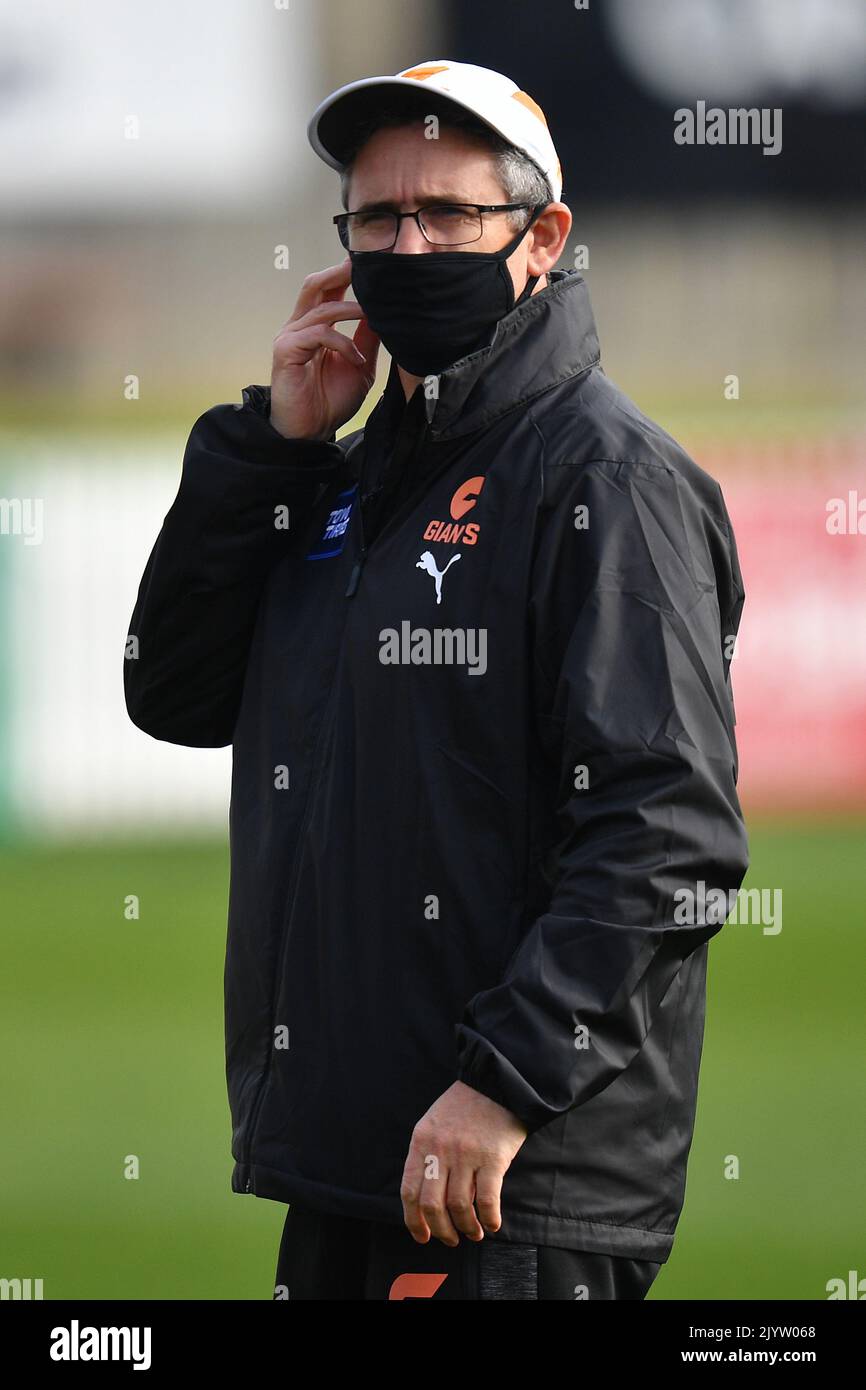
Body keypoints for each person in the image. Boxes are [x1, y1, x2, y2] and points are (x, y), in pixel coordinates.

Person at [124, 59, 749, 1301]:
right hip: (354, 1166)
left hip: (504, 1184)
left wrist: (500, 1087)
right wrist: (272, 451)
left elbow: (663, 835)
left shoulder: (605, 481)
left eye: (446, 216)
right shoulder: (341, 478)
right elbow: (174, 694)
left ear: (540, 239)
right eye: (375, 219)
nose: (405, 246)